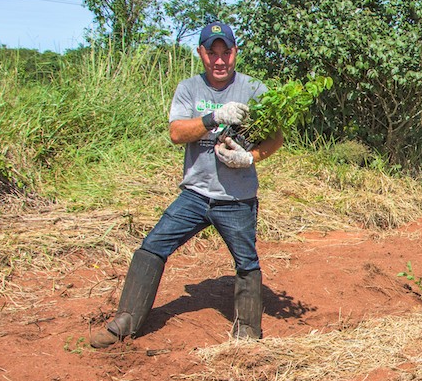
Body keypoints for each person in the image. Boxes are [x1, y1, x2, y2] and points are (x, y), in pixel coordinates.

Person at [90, 21, 282, 348]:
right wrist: (213, 118)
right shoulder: (189, 89)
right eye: (212, 53)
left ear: (236, 52)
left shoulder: (254, 90)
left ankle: (248, 332)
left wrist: (249, 158)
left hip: (237, 200)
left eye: (226, 52)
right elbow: (177, 133)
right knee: (152, 247)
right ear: (201, 54)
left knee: (246, 262)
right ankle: (126, 321)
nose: (219, 60)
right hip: (194, 195)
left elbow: (277, 137)